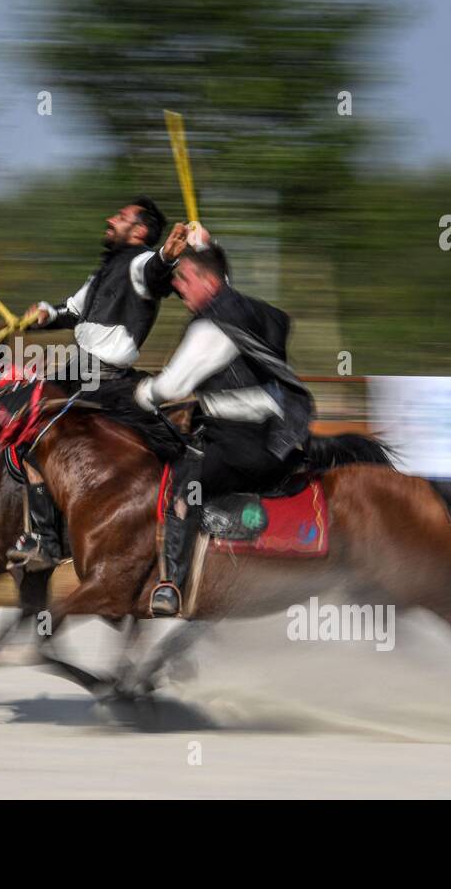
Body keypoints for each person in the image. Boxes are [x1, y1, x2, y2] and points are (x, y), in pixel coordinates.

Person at [134, 234, 314, 617]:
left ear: (209, 282)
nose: (176, 286)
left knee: (180, 494)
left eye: (183, 278)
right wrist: (208, 249)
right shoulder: (247, 311)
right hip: (277, 440)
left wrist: (142, 393)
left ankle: (171, 587)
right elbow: (222, 286)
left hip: (241, 447)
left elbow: (172, 386)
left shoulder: (212, 328)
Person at [7, 196, 185, 574]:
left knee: (36, 434)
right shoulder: (104, 271)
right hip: (76, 372)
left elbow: (155, 271)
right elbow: (71, 311)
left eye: (120, 218)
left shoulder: (140, 263)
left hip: (104, 380)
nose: (110, 219)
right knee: (19, 426)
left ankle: (47, 542)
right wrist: (44, 315)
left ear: (138, 231)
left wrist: (168, 256)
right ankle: (42, 535)